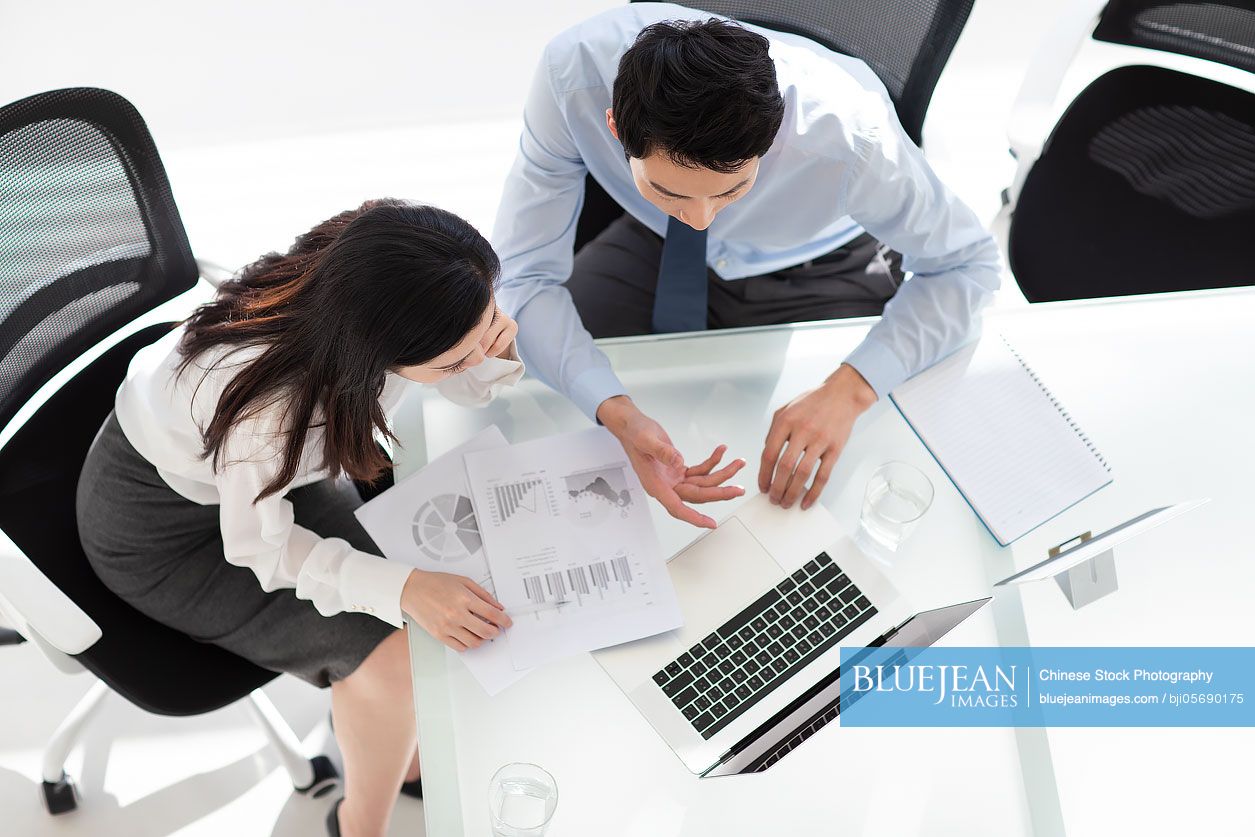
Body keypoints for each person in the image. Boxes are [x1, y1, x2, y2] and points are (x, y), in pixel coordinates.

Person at [76, 200, 524, 837]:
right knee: (395, 648)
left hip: (261, 480)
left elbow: (442, 368)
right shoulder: (270, 414)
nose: (477, 356)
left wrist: (486, 349)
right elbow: (260, 549)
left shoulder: (372, 277)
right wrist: (401, 588)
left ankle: (394, 746)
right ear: (371, 356)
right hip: (162, 535)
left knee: (431, 588)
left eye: (488, 317)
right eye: (454, 361)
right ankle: (358, 823)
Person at [492, 7, 1001, 525]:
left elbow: (969, 266)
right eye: (668, 189)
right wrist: (613, 409)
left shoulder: (855, 136)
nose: (700, 219)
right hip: (650, 241)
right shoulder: (569, 74)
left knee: (831, 487)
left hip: (820, 265)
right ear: (615, 125)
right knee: (532, 412)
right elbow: (523, 275)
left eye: (732, 189)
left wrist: (850, 389)